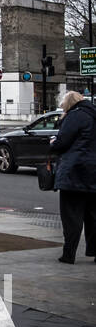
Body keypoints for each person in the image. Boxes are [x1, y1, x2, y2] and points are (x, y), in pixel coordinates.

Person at [49, 90, 96, 264]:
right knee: (93, 216)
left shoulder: (75, 116)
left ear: (68, 104)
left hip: (75, 173)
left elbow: (62, 142)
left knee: (71, 217)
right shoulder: (93, 114)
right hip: (93, 172)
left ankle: (69, 254)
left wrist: (53, 143)